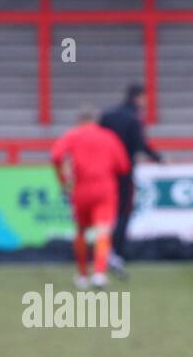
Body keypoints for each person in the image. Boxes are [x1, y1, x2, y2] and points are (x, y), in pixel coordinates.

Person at [50, 107, 130, 288]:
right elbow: (123, 166)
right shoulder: (109, 136)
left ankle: (82, 275)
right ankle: (99, 274)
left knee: (81, 231)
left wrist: (63, 180)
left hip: (81, 189)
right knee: (103, 230)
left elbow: (55, 156)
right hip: (104, 188)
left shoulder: (72, 135)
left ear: (79, 121)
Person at [99, 84, 162, 277]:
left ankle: (100, 253)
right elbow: (140, 144)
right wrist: (158, 158)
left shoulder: (107, 115)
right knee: (123, 212)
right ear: (138, 97)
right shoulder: (134, 119)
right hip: (124, 172)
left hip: (105, 171)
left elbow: (98, 140)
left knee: (104, 215)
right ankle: (116, 253)